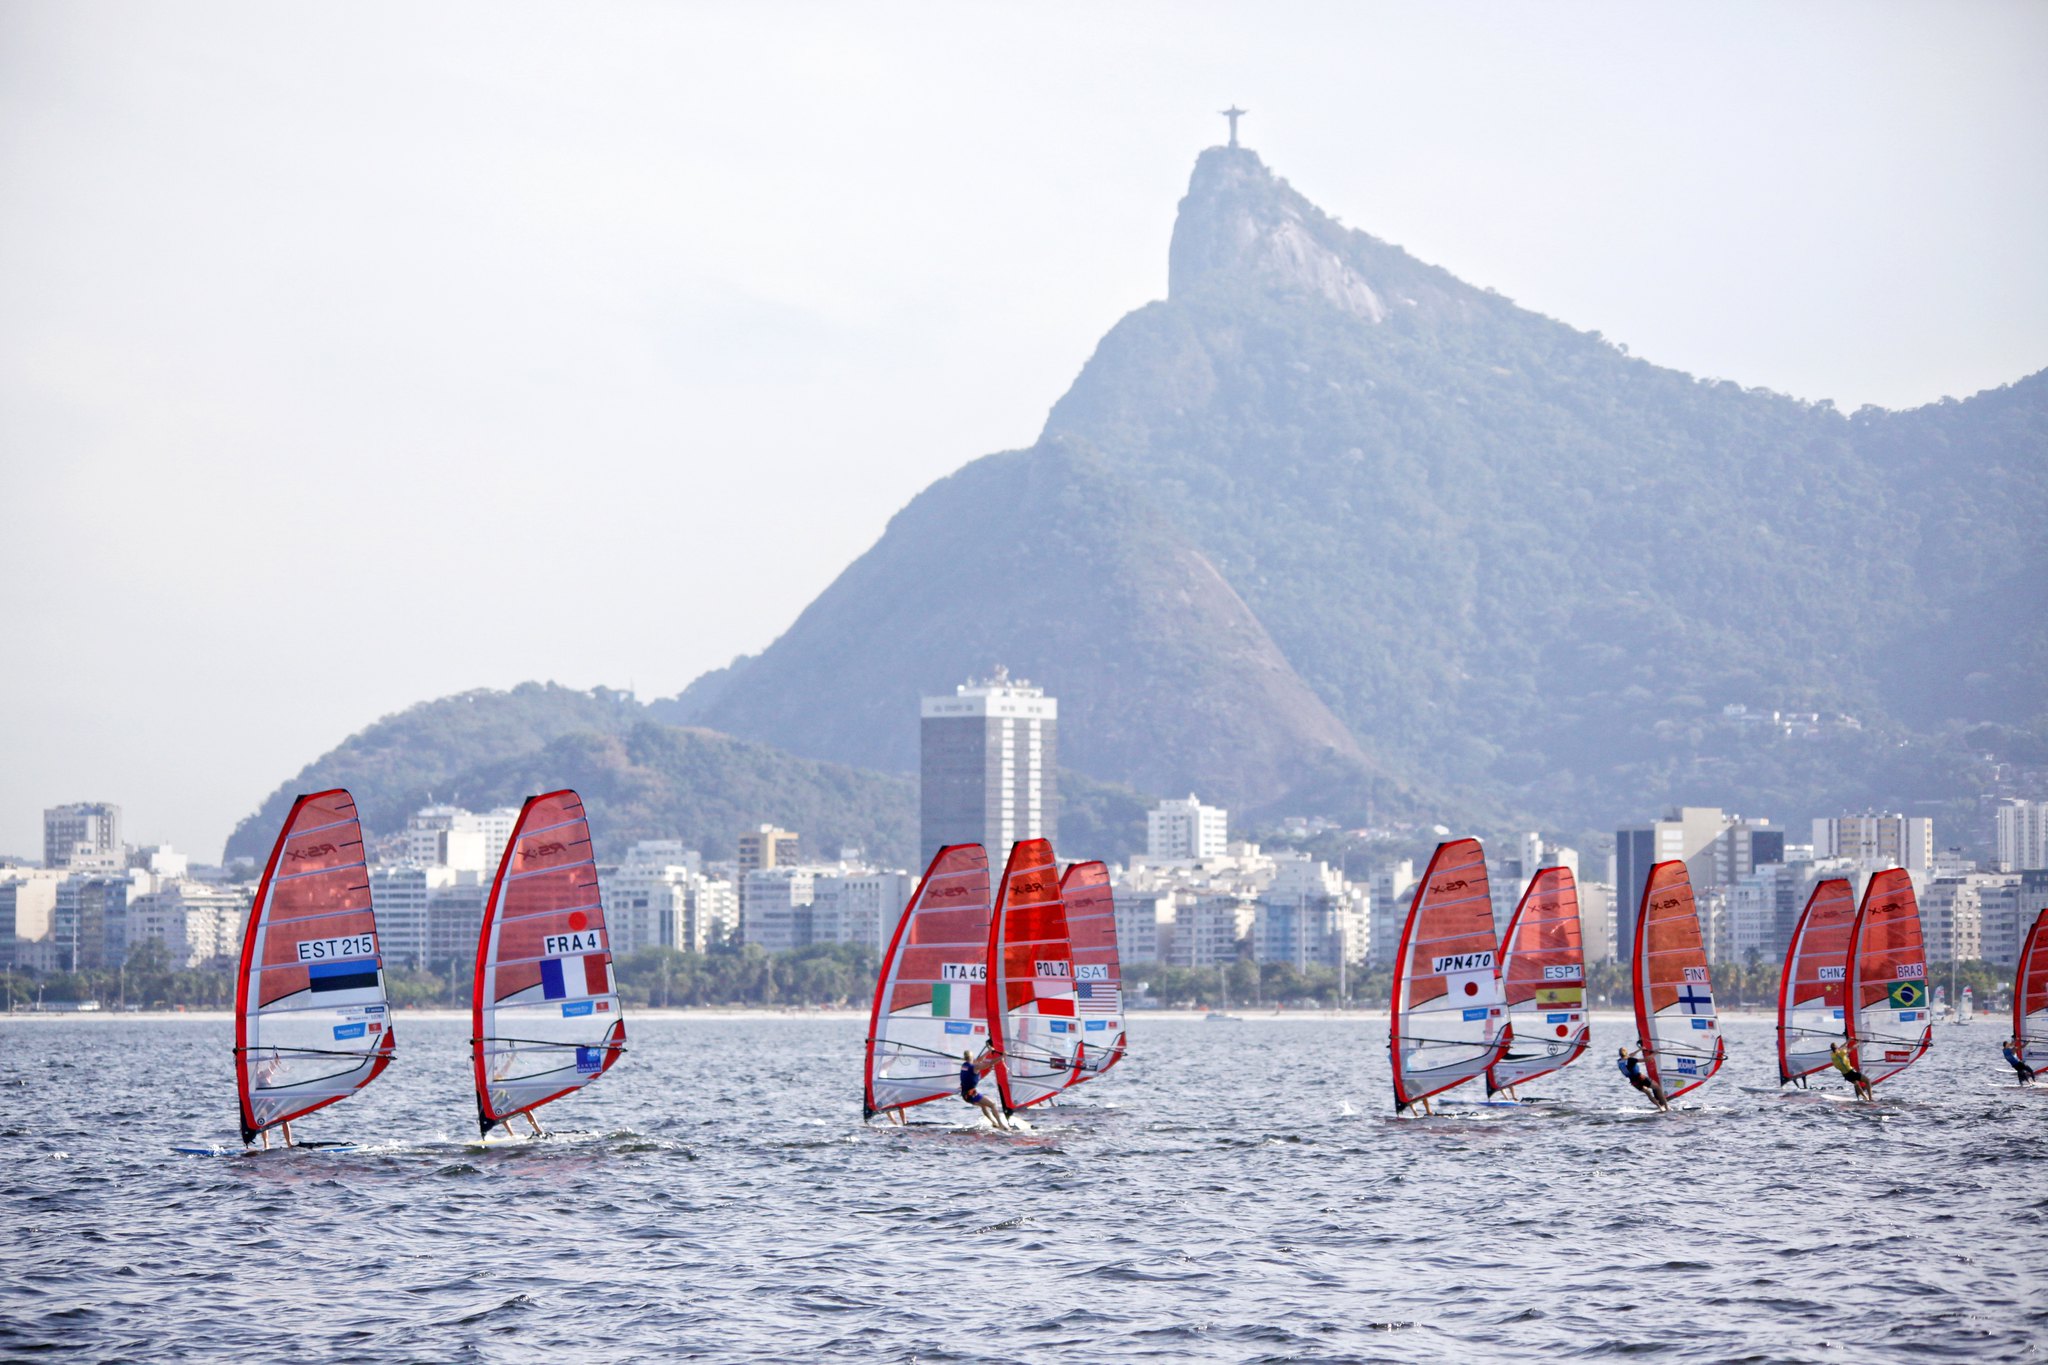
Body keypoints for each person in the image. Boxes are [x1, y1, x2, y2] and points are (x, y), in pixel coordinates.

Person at [959, 1051, 1011, 1131]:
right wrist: (1002, 1057)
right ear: (972, 1057)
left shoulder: (965, 1065)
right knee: (992, 1105)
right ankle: (1001, 1125)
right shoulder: (974, 1067)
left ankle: (994, 1122)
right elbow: (989, 1064)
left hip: (965, 1095)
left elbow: (979, 1060)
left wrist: (988, 1051)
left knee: (983, 1105)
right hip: (971, 1095)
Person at [1618, 1045, 1668, 1112]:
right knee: (1657, 1087)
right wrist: (1655, 1053)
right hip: (1640, 1078)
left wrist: (1640, 1050)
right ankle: (1667, 1108)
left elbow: (1630, 1055)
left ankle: (1660, 1108)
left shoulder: (1620, 1061)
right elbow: (1646, 1060)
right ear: (1626, 1053)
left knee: (1648, 1093)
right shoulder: (1630, 1060)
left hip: (1633, 1082)